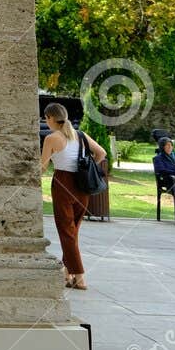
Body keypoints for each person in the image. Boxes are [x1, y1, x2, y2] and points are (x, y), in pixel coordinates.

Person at [40, 103, 108, 291]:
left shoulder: (51, 138)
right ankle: (67, 274)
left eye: (46, 118)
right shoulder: (81, 135)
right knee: (72, 232)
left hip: (63, 184)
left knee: (67, 232)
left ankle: (80, 278)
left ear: (51, 118)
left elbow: (43, 167)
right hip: (82, 185)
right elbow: (101, 153)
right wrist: (86, 166)